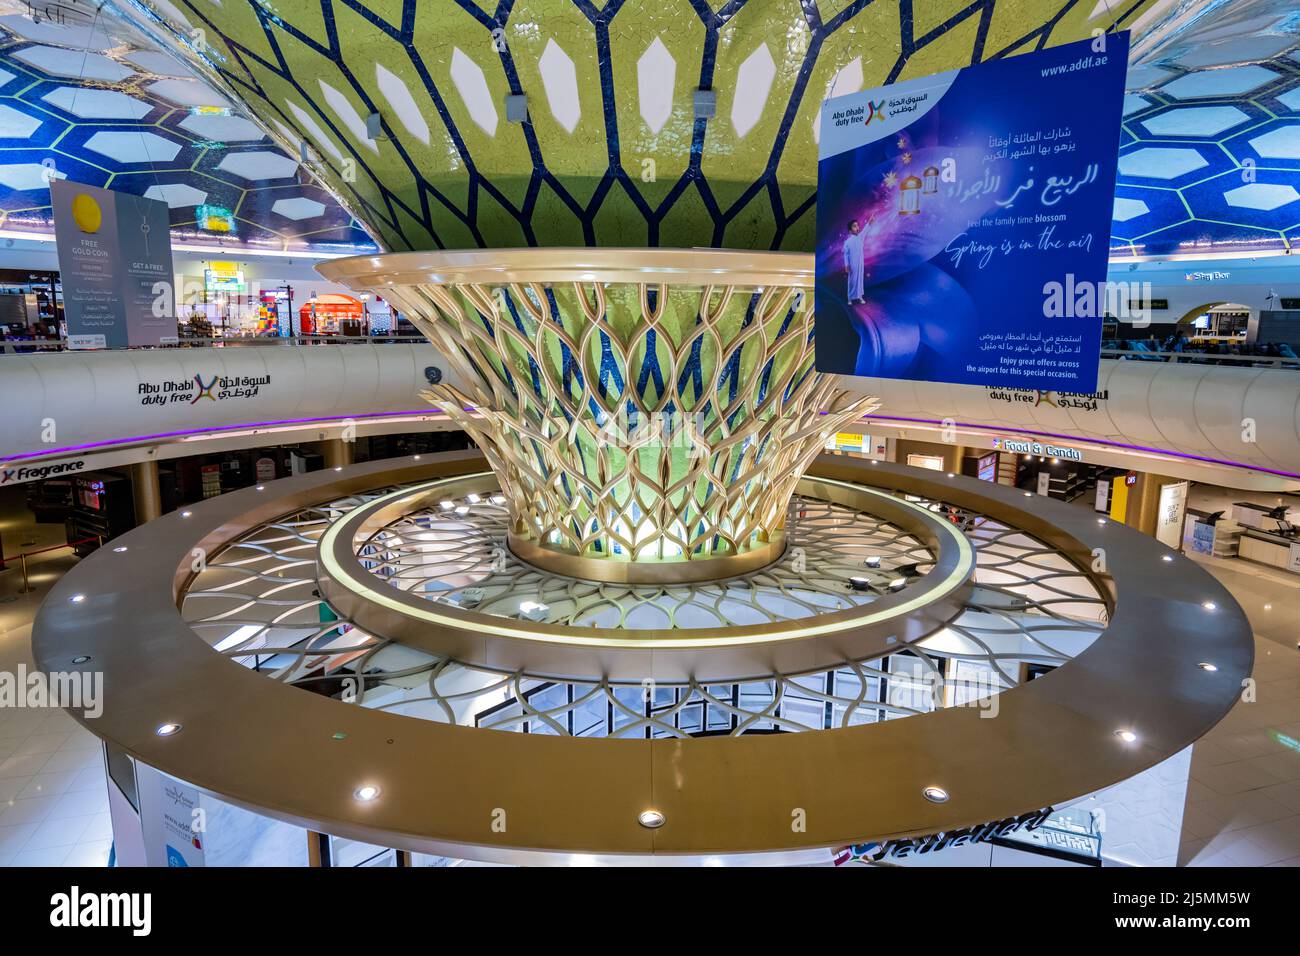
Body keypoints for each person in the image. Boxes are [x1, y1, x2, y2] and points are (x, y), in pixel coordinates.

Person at [843, 219, 866, 304]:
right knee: (852, 281)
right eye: (854, 226)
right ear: (850, 230)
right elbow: (846, 254)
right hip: (852, 265)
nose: (857, 227)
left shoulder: (860, 238)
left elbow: (865, 230)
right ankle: (850, 298)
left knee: (860, 280)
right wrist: (847, 265)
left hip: (860, 264)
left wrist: (869, 223)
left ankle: (860, 296)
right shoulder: (847, 242)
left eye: (857, 225)